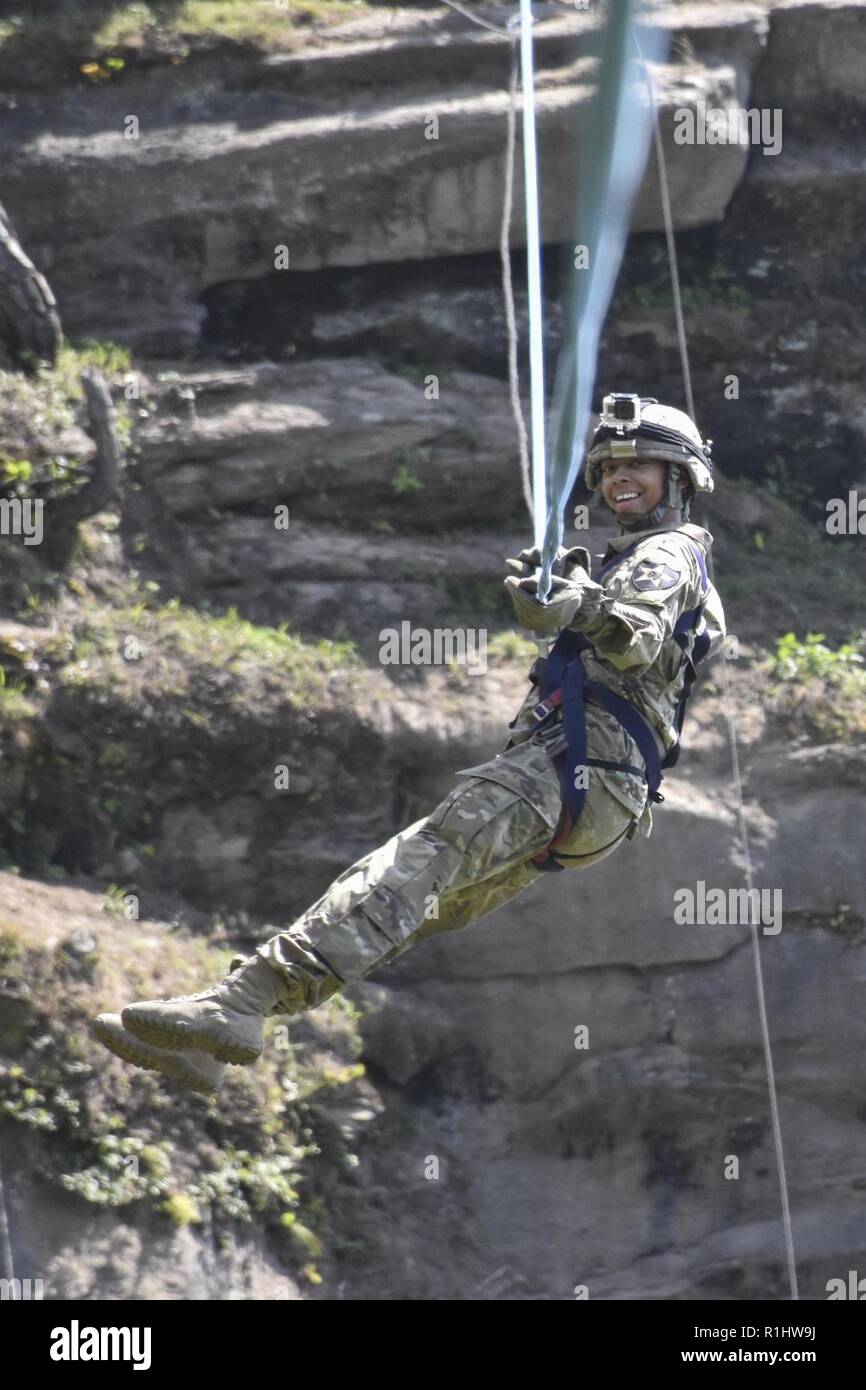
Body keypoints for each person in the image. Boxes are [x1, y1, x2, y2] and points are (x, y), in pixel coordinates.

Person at [92, 394, 726, 1097]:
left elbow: (636, 636)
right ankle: (230, 1031)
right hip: (600, 794)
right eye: (610, 469)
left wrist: (579, 605)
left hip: (571, 770)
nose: (620, 479)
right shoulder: (646, 559)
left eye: (641, 465)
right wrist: (573, 598)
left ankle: (240, 1003)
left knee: (406, 870)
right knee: (409, 904)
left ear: (682, 477)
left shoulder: (668, 553)